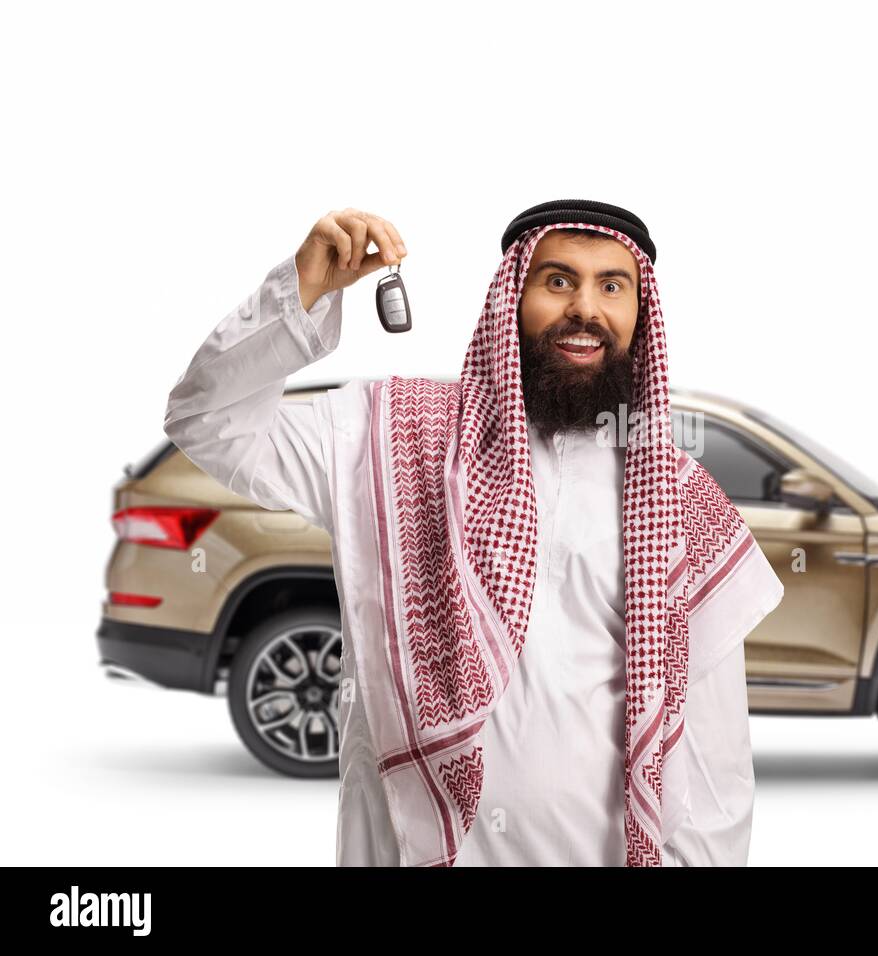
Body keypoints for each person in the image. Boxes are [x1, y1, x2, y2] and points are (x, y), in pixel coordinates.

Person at [163, 199, 785, 866]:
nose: (586, 308)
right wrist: (304, 290)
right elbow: (208, 421)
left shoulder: (684, 502)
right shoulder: (390, 438)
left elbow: (718, 781)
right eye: (557, 281)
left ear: (641, 314)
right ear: (509, 300)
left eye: (612, 285)